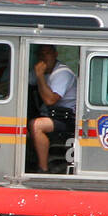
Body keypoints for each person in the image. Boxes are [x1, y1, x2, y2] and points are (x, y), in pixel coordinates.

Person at [29, 44, 77, 173]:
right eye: (41, 54)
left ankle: (43, 168)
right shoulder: (40, 71)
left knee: (36, 125)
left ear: (55, 55)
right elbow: (22, 82)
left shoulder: (62, 73)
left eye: (47, 53)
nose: (44, 58)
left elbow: (50, 100)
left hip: (68, 117)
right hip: (52, 115)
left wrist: (40, 77)